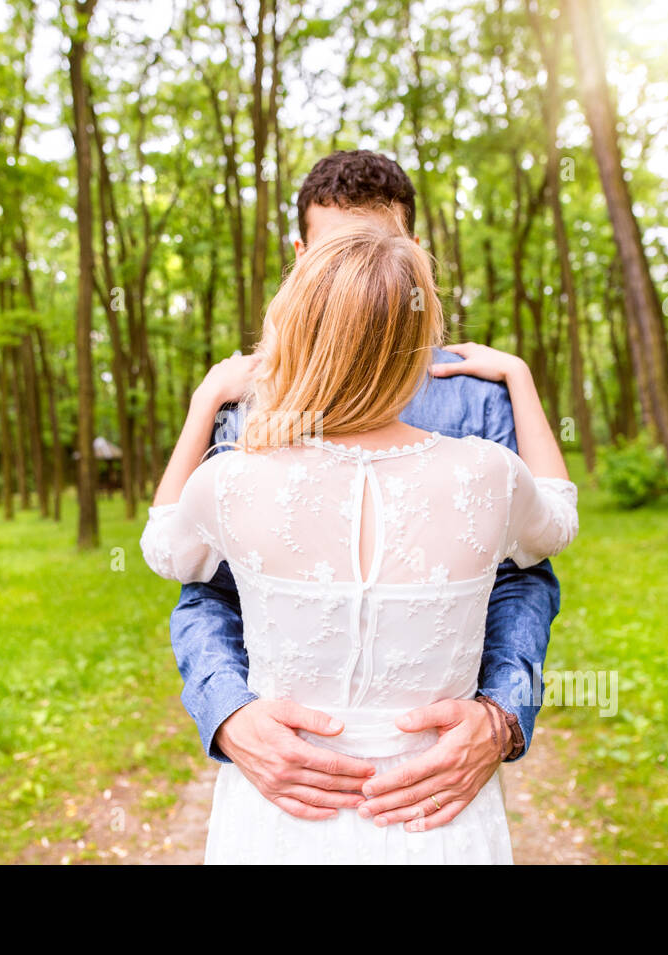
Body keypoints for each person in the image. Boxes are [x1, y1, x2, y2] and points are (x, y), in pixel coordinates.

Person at [140, 216, 578, 863]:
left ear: (292, 333)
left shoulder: (230, 479)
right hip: (438, 824)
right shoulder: (488, 474)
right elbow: (560, 519)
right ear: (420, 344)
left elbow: (162, 544)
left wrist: (205, 398)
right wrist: (518, 374)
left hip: (281, 824)